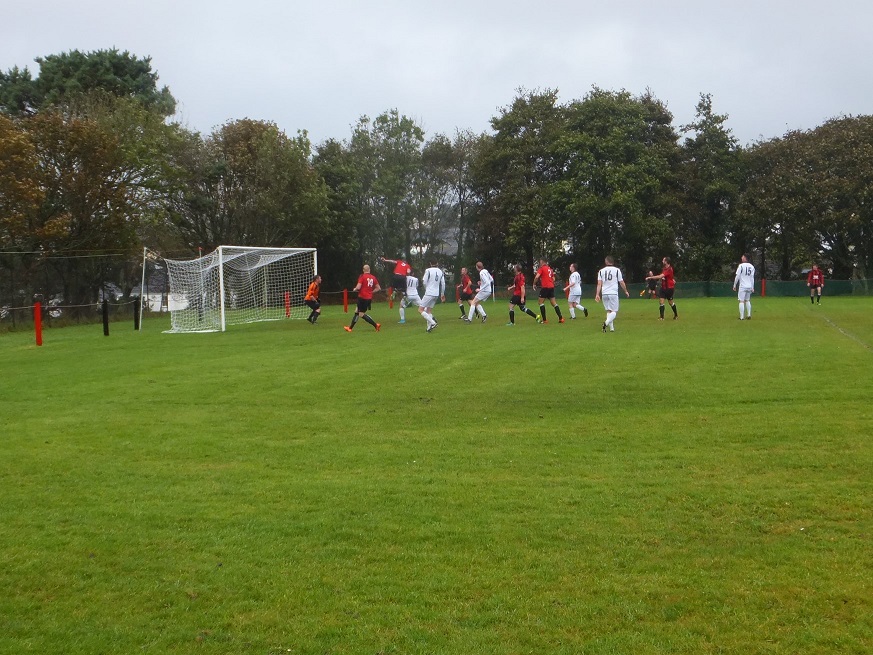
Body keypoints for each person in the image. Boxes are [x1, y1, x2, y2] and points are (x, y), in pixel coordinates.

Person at [595, 255, 630, 333]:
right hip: (613, 293)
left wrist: (597, 294)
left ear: (606, 261)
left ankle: (611, 328)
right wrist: (626, 291)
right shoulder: (617, 270)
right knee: (614, 311)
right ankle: (606, 323)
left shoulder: (601, 271)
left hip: (604, 293)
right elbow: (621, 282)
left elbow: (599, 284)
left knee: (609, 310)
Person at [344, 264, 381, 332]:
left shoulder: (362, 276)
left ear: (363, 270)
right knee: (357, 311)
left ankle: (376, 325)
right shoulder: (373, 277)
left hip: (362, 297)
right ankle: (350, 328)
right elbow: (378, 288)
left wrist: (355, 289)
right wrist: (371, 292)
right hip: (368, 298)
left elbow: (358, 287)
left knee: (361, 314)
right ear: (369, 270)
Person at [533, 258, 564, 324]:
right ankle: (561, 318)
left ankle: (544, 320)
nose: (539, 263)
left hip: (545, 287)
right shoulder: (550, 269)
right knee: (554, 303)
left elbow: (536, 277)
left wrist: (534, 284)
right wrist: (550, 281)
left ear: (542, 262)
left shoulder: (541, 268)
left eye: (540, 262)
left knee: (540, 302)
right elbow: (553, 278)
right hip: (551, 287)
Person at [420, 259, 446, 332]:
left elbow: (424, 282)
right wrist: (442, 294)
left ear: (430, 263)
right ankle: (428, 328)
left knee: (420, 310)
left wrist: (426, 288)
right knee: (429, 311)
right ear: (437, 263)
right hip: (436, 293)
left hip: (429, 292)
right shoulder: (440, 271)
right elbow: (443, 284)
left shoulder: (428, 270)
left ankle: (433, 323)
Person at [733, 254, 756, 320]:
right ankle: (748, 315)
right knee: (747, 300)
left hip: (743, 286)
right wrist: (752, 287)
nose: (741, 258)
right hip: (749, 286)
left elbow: (737, 276)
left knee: (741, 301)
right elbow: (752, 278)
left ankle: (741, 317)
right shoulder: (752, 267)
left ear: (745, 258)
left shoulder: (741, 266)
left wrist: (734, 285)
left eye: (743, 257)